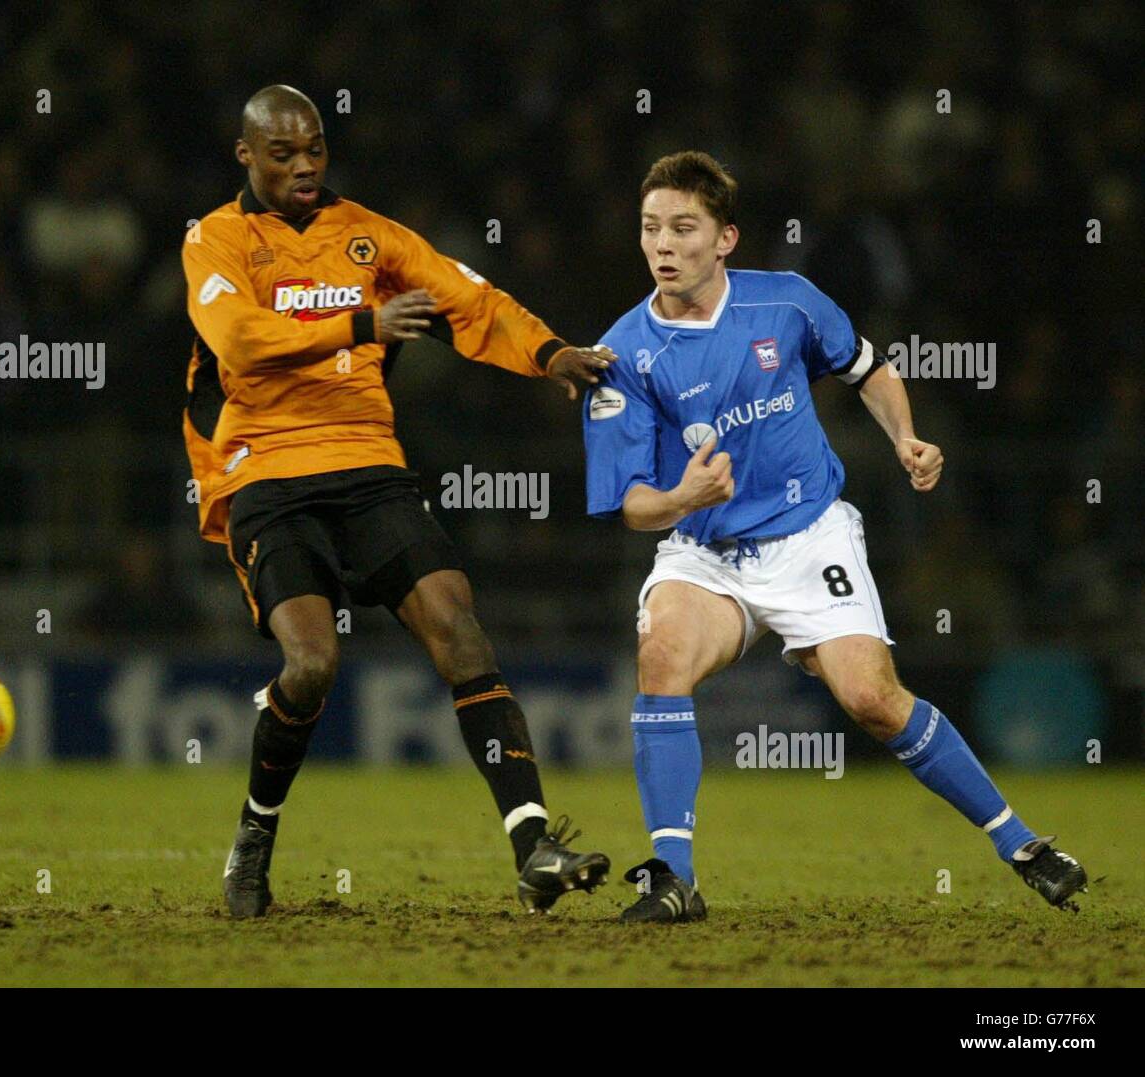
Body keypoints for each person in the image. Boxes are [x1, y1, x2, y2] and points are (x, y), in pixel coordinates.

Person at [583, 151, 1088, 923]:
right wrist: (681, 496)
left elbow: (870, 371)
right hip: (707, 553)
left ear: (725, 239)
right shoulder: (623, 353)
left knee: (874, 701)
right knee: (661, 658)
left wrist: (905, 438)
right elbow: (630, 505)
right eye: (651, 227)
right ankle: (673, 877)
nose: (663, 244)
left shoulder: (787, 305)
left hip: (808, 538)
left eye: (684, 227)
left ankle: (1021, 843)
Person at [183, 85, 614, 918]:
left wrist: (551, 351)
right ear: (246, 155)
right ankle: (254, 839)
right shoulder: (217, 238)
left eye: (315, 148)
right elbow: (237, 339)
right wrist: (359, 326)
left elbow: (469, 298)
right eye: (283, 154)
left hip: (369, 464)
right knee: (310, 666)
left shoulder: (372, 237)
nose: (305, 165)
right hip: (267, 473)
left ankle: (534, 848)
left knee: (458, 624)